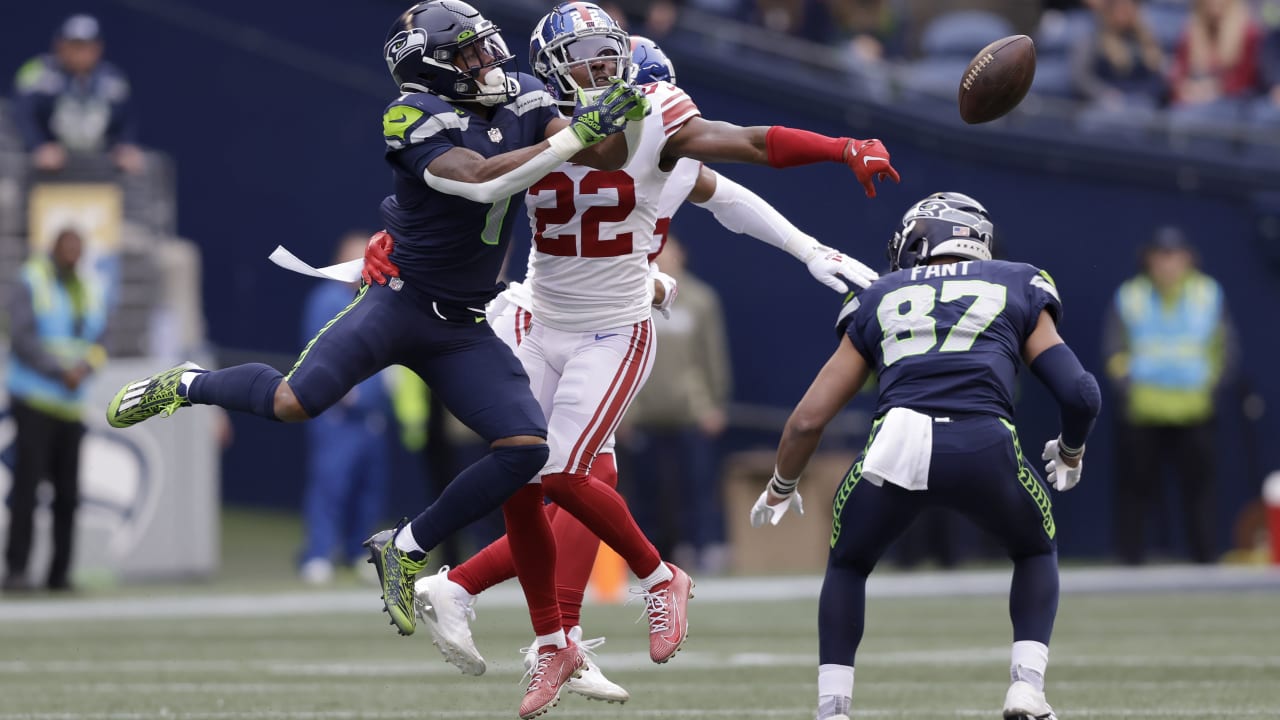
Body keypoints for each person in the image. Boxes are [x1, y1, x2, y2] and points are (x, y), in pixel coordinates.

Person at [103, 2, 647, 716]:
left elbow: (600, 153)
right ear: (431, 68)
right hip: (399, 304)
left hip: (463, 324)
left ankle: (410, 546)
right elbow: (481, 178)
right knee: (295, 401)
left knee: (524, 447)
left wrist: (615, 117)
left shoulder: (526, 95)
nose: (489, 66)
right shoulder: (411, 117)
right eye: (471, 58)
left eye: (488, 51)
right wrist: (577, 133)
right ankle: (190, 384)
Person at [362, 8, 896, 703]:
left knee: (569, 478)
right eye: (588, 63)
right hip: (536, 313)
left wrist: (814, 231)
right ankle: (534, 625)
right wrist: (394, 243)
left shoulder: (661, 128)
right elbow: (460, 179)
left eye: (616, 67)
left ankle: (506, 602)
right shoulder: (528, 112)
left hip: (608, 326)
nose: (608, 82)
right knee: (537, 476)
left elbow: (741, 171)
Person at [751, 192, 1101, 720]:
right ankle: (1026, 687)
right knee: (1033, 550)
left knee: (848, 563)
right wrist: (1070, 450)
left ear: (920, 240)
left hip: (896, 442)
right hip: (985, 440)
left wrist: (782, 483)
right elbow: (1081, 394)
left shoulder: (878, 294)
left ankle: (833, 710)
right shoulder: (1017, 281)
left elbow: (807, 419)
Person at [1102, 226, 1236, 565]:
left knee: (1199, 492)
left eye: (1174, 255)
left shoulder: (1208, 294)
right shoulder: (1129, 295)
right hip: (1143, 409)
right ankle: (1130, 562)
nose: (1168, 264)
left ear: (1189, 258)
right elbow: (1114, 350)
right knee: (1135, 490)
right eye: (1161, 256)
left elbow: (1225, 348)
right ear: (1148, 259)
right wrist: (1127, 387)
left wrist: (1212, 383)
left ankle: (1205, 560)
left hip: (1194, 408)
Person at [4, 228, 109, 592]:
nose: (72, 254)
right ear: (54, 249)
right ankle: (17, 571)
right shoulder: (32, 279)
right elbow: (21, 337)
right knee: (27, 489)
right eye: (67, 247)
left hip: (71, 404)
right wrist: (59, 370)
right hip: (33, 399)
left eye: (78, 248)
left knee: (68, 493)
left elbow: (99, 341)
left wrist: (84, 369)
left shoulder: (90, 287)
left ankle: (59, 574)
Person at [623, 234, 733, 575]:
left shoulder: (700, 299)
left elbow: (713, 353)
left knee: (697, 485)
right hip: (643, 411)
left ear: (682, 255)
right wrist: (622, 412)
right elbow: (622, 356)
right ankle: (647, 557)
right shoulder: (631, 299)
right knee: (644, 490)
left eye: (670, 251)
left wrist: (716, 402)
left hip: (691, 411)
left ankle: (703, 550)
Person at [297, 232, 393, 585]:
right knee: (330, 484)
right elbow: (318, 349)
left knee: (368, 488)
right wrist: (339, 392)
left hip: (373, 414)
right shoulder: (326, 299)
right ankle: (318, 553)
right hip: (338, 414)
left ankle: (356, 552)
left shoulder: (380, 298)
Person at [11, 14, 143, 174]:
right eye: (74, 46)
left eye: (86, 46)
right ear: (60, 45)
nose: (80, 53)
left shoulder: (113, 79)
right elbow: (22, 115)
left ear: (97, 49)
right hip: (46, 171)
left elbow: (127, 121)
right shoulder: (37, 72)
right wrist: (38, 146)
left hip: (97, 170)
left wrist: (126, 147)